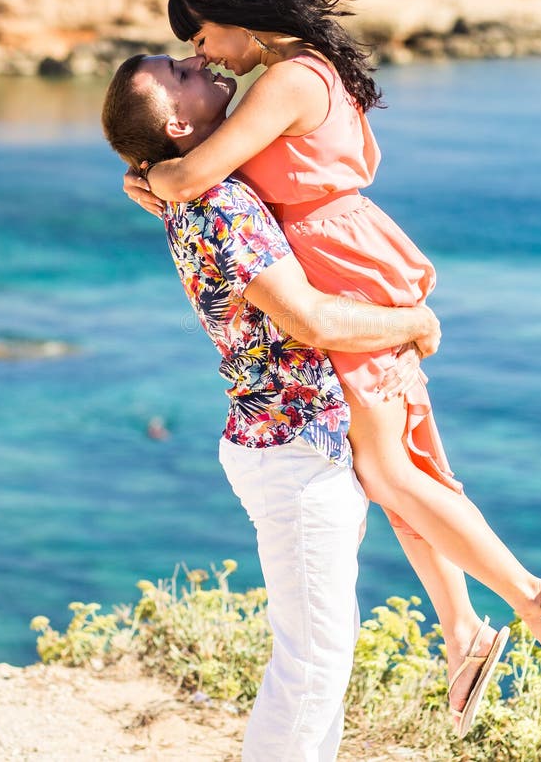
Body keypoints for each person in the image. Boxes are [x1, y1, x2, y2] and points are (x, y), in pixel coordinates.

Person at [122, 0, 541, 736]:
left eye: (199, 41)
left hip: (340, 272)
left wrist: (153, 181)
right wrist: (167, 184)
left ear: (232, 16)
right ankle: (464, 629)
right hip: (340, 260)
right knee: (394, 465)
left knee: (390, 469)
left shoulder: (289, 81)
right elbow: (217, 195)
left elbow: (196, 175)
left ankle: (532, 598)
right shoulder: (298, 70)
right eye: (190, 55)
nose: (202, 56)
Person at [102, 53, 445, 761]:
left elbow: (154, 176)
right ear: (177, 121)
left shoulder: (195, 188)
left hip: (294, 446)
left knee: (324, 653)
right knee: (312, 663)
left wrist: (147, 175)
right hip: (293, 456)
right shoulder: (220, 204)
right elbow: (311, 320)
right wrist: (413, 323)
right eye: (181, 71)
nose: (197, 60)